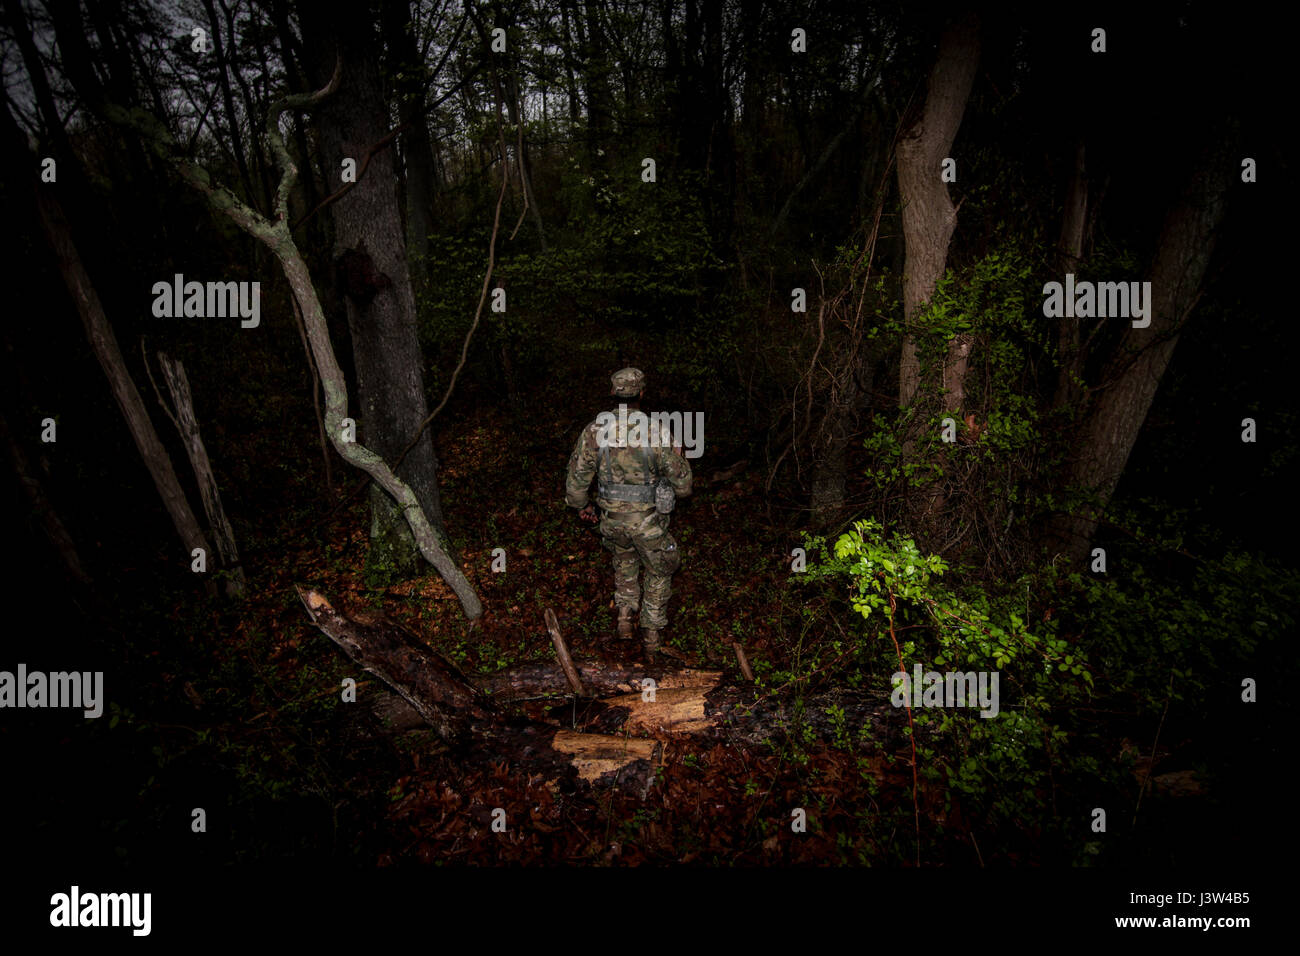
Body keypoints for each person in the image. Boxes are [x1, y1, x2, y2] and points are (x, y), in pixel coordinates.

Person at [565, 368, 692, 660]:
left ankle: (624, 617)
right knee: (660, 568)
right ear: (642, 394)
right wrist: (679, 456)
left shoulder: (594, 431)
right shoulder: (657, 431)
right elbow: (683, 487)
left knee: (623, 558)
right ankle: (651, 634)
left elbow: (575, 484)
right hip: (648, 522)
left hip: (611, 522)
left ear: (613, 393)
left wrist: (583, 506)